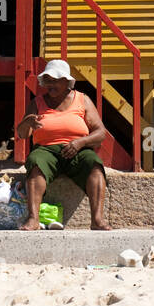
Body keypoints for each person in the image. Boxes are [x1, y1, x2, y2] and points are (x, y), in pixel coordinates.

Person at [15, 58, 112, 230]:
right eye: (48, 81)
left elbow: (100, 132)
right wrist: (27, 123)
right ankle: (33, 219)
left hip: (78, 150)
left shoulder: (82, 100)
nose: (50, 85)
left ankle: (97, 220)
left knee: (95, 165)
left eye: (55, 81)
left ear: (67, 81)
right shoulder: (36, 103)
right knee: (35, 162)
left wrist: (80, 143)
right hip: (46, 151)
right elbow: (22, 134)